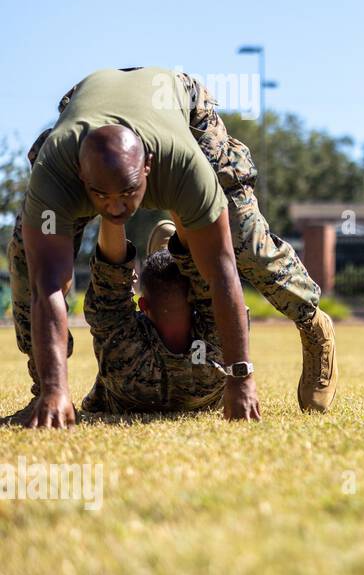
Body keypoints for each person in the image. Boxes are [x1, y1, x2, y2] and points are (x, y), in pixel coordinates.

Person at [8, 66, 337, 427]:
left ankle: (312, 323)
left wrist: (241, 376)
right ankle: (44, 389)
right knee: (28, 261)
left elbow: (222, 269)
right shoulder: (56, 170)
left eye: (127, 195)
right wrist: (56, 388)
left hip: (179, 105)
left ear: (148, 168)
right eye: (102, 196)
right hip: (85, 105)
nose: (116, 209)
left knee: (243, 241)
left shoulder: (182, 163)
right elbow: (50, 287)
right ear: (82, 177)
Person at [80, 218, 226, 415]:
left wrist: (113, 207)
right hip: (202, 392)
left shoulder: (122, 359)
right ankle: (174, 261)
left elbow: (109, 286)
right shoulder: (219, 352)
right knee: (214, 301)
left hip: (131, 385)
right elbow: (218, 289)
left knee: (115, 325)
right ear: (194, 298)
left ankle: (165, 267)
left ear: (143, 306)